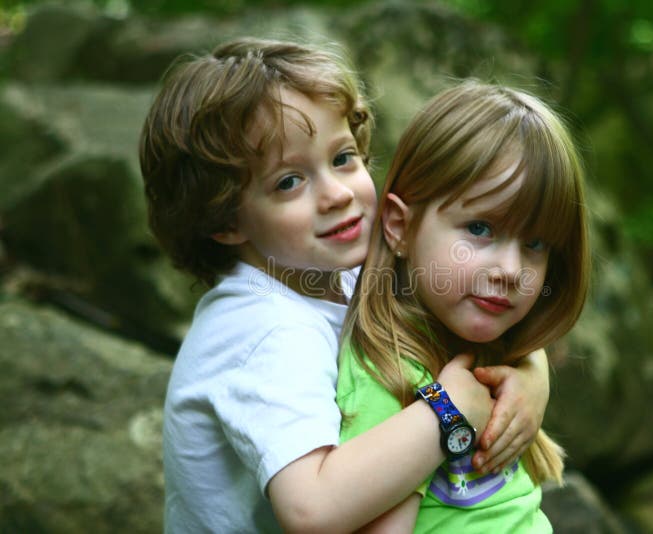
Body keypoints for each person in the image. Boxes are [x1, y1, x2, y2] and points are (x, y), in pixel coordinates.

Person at [140, 38, 553, 533]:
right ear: (225, 220)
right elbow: (312, 509)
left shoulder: (335, 272)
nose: (336, 195)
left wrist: (530, 377)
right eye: (288, 182)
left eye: (342, 158)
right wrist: (449, 411)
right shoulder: (263, 328)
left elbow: (470, 307)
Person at [337, 81, 591, 532]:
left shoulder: (498, 355)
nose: (511, 269)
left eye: (534, 243)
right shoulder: (388, 375)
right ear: (399, 226)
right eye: (480, 228)